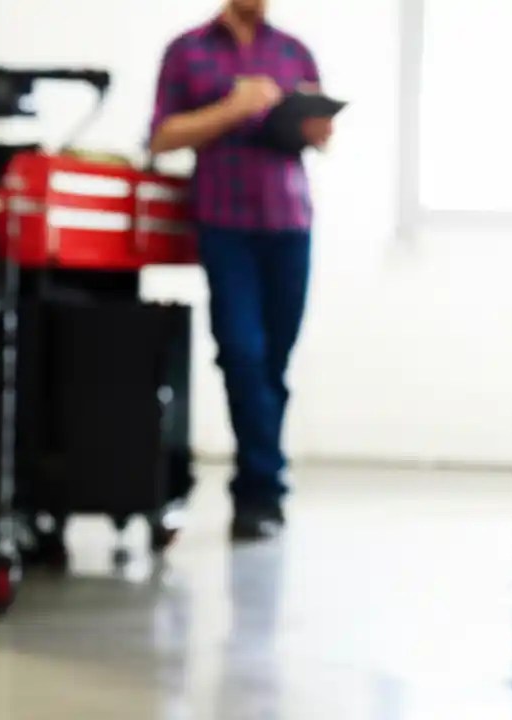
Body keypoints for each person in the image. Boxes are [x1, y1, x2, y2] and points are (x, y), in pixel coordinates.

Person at [149, 0, 333, 541]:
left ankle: (260, 485)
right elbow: (161, 137)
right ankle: (261, 489)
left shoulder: (293, 52)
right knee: (241, 352)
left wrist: (314, 126)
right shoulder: (188, 51)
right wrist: (233, 108)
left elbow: (322, 135)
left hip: (290, 222)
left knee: (274, 361)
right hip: (224, 223)